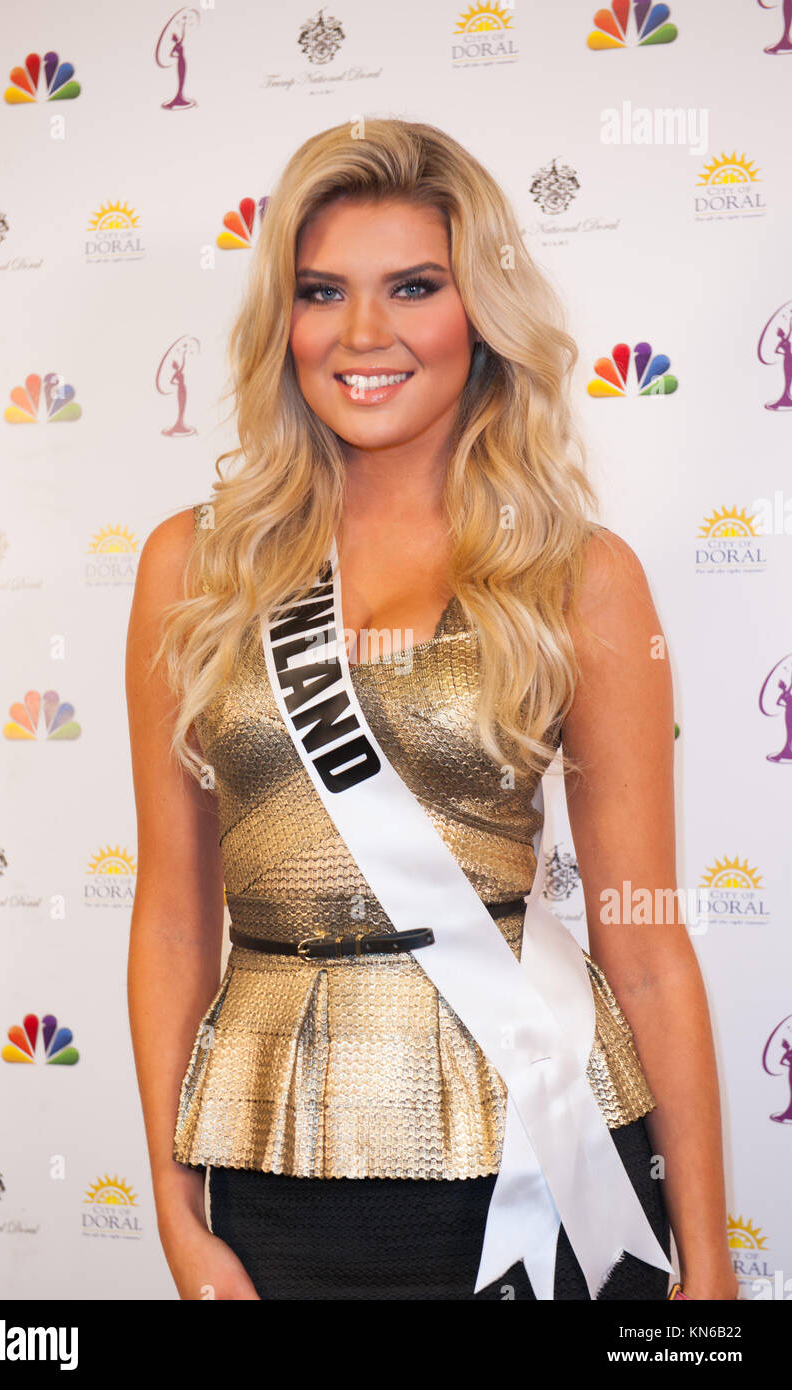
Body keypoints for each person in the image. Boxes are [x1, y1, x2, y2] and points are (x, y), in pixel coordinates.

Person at [125, 118, 737, 1301]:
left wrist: (707, 1259)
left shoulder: (578, 573)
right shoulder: (192, 568)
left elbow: (646, 944)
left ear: (481, 316)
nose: (363, 334)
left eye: (413, 287)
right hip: (275, 1157)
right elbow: (167, 916)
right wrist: (171, 1207)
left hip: (543, 1148)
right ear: (283, 321)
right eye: (321, 292)